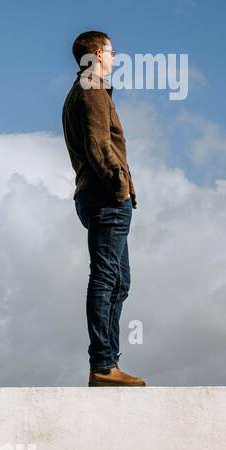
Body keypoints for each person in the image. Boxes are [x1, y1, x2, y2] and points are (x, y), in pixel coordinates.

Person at [62, 31, 146, 387]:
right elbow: (99, 145)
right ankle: (103, 364)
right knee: (106, 278)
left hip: (98, 197)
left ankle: (108, 362)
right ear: (97, 53)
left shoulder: (85, 90)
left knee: (118, 281)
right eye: (112, 51)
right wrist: (120, 186)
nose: (115, 57)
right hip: (105, 198)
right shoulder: (91, 89)